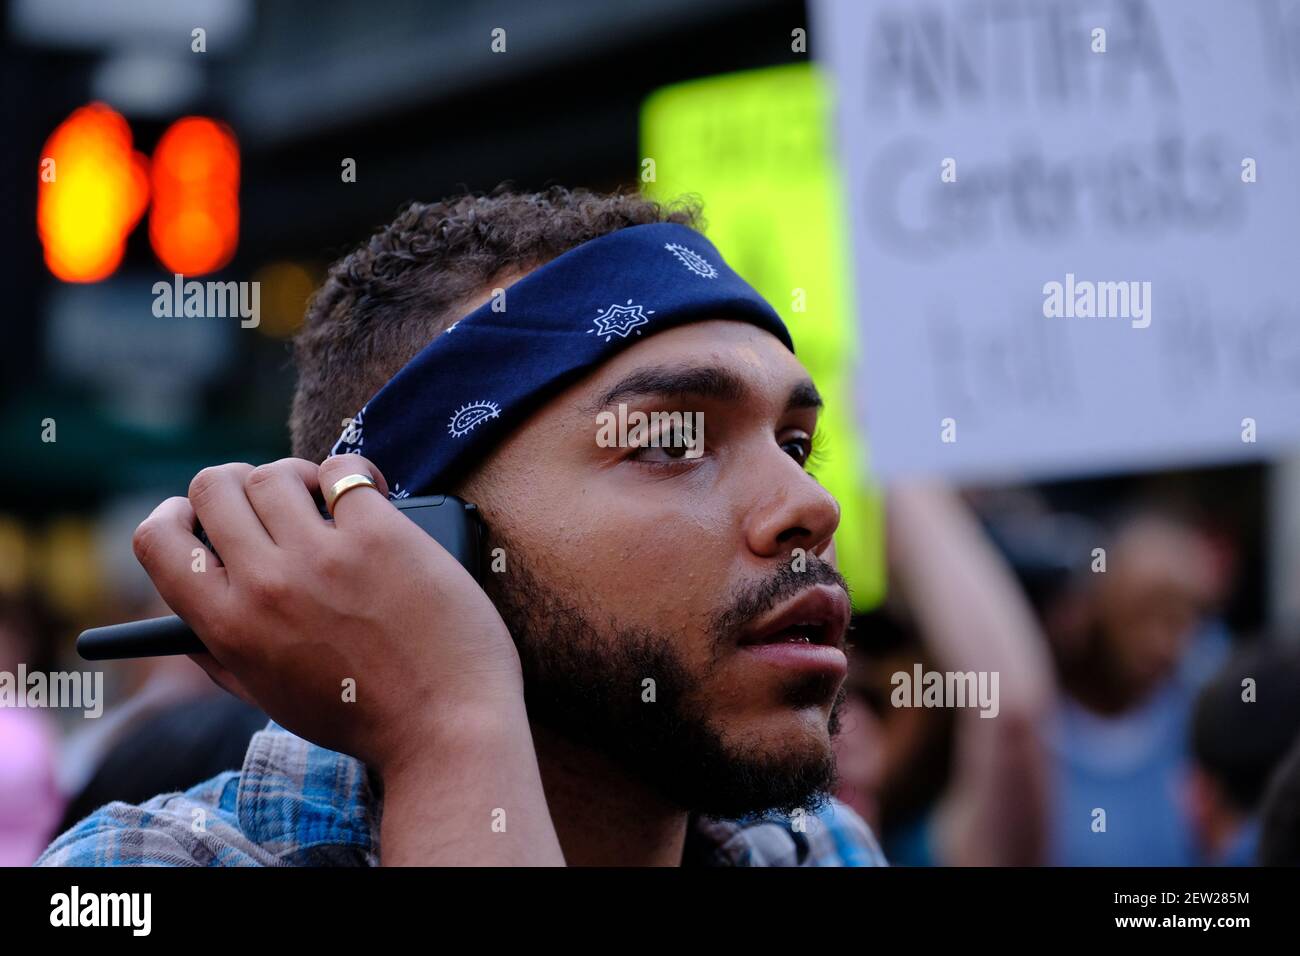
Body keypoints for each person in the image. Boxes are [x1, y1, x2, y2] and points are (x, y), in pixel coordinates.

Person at [37, 187, 884, 867]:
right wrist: (451, 735)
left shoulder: (817, 848)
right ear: (404, 538)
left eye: (797, 446)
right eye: (669, 440)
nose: (812, 506)